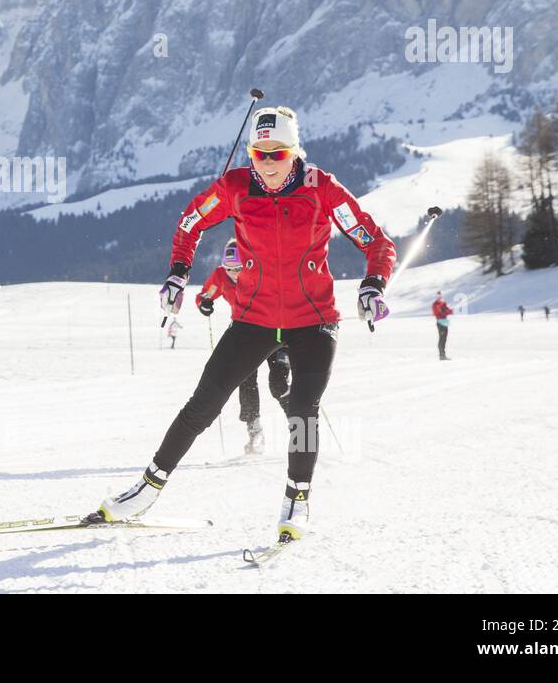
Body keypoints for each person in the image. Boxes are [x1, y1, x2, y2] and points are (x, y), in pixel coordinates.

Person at [94, 106, 395, 542]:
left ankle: (297, 502)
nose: (268, 164)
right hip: (253, 319)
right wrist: (179, 273)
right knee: (202, 404)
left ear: (295, 152)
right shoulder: (236, 187)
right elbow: (190, 222)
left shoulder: (321, 188)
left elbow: (375, 242)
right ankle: (146, 489)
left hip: (312, 321)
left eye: (278, 153)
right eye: (259, 153)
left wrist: (373, 286)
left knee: (302, 412)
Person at [195, 237, 291, 453]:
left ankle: (299, 427)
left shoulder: (261, 271)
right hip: (246, 334)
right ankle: (254, 430)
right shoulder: (221, 276)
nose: (234, 274)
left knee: (278, 383)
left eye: (238, 268)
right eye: (229, 269)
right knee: (245, 380)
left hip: (276, 332)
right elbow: (205, 294)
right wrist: (204, 303)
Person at [432, 292, 453, 361]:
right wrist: (446, 311)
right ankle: (441, 355)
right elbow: (440, 313)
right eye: (438, 296)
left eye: (440, 296)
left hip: (445, 322)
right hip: (440, 323)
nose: (439, 298)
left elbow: (448, 310)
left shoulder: (443, 303)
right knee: (441, 338)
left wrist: (447, 311)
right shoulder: (435, 305)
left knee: (444, 339)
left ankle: (443, 355)